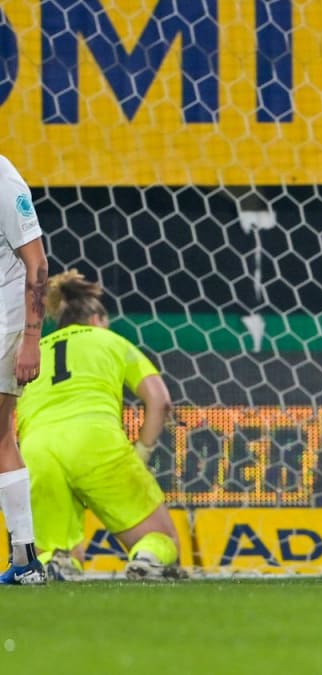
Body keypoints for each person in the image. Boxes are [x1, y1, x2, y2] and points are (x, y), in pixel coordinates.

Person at [15, 269, 185, 581]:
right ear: (96, 320)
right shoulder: (110, 341)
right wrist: (142, 453)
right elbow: (159, 400)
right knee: (163, 539)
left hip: (35, 448)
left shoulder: (32, 352)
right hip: (95, 440)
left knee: (55, 554)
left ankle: (55, 566)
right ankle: (147, 559)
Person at [0, 156, 48, 586]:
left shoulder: (2, 177)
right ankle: (25, 558)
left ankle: (26, 558)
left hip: (6, 316)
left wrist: (31, 338)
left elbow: (37, 263)